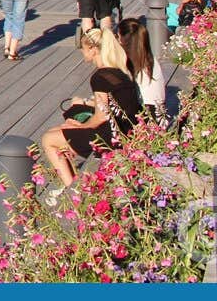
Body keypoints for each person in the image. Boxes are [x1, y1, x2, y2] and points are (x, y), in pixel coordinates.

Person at [39, 27, 142, 185]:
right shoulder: (119, 71)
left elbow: (101, 116)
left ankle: (71, 189)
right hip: (127, 129)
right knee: (58, 131)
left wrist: (80, 127)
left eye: (83, 48)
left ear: (93, 50)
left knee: (48, 139)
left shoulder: (100, 77)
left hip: (111, 136)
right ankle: (77, 182)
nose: (81, 51)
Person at [117, 17, 167, 119]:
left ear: (123, 40)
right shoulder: (149, 59)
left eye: (118, 37)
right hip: (158, 114)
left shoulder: (129, 63)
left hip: (144, 116)